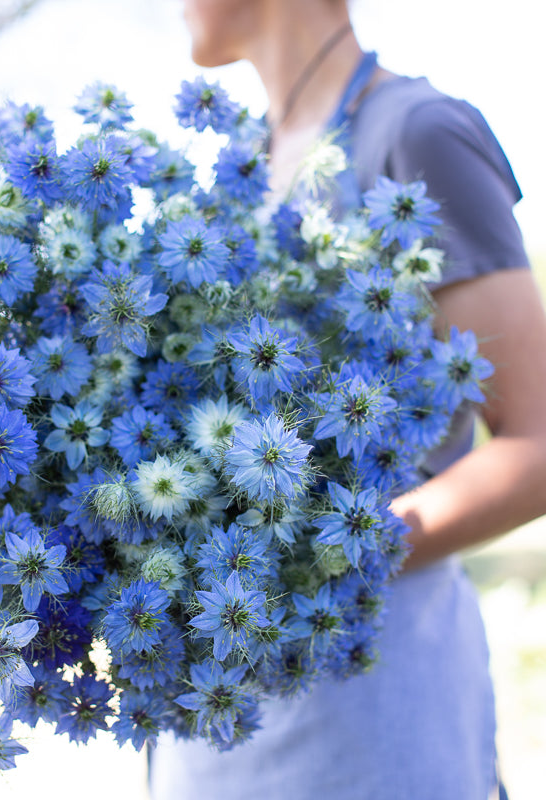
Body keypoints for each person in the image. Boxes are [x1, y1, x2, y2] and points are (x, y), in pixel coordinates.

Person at [148, 1, 546, 798]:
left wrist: (327, 557)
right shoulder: (234, 169)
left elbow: (536, 444)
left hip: (373, 697)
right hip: (216, 714)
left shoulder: (415, 132)